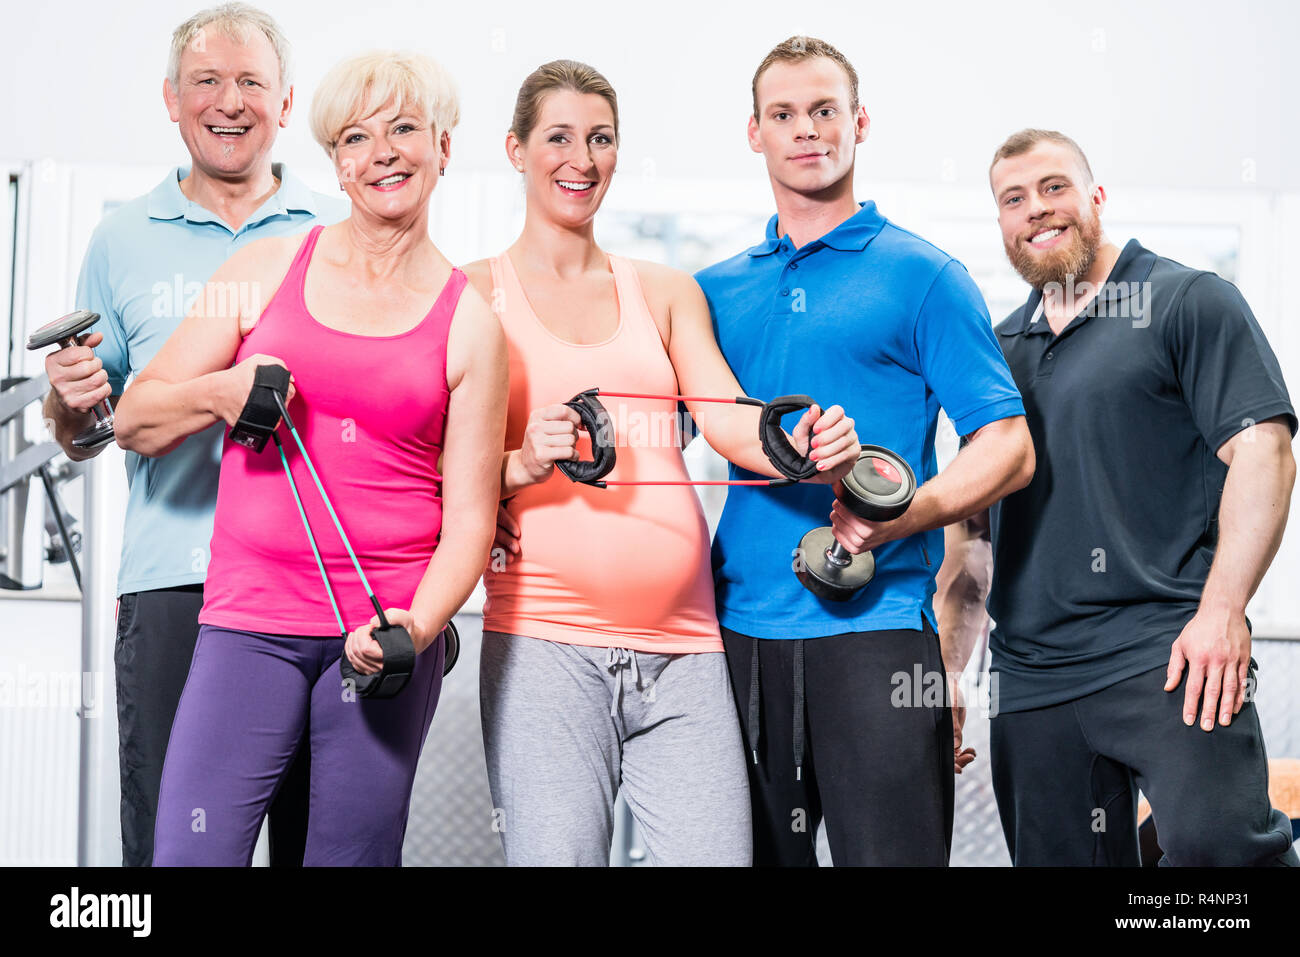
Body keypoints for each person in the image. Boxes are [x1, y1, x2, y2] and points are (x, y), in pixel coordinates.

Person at [462, 59, 861, 867]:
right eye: (559, 137)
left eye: (600, 139)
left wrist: (808, 444)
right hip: (547, 642)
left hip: (685, 645)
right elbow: (439, 471)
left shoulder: (664, 290)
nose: (582, 158)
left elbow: (729, 421)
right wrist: (517, 460)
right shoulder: (469, 296)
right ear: (515, 149)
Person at [112, 49, 506, 866]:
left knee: (349, 859)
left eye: (404, 130)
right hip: (248, 621)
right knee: (191, 854)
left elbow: (471, 518)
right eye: (357, 138)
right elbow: (136, 416)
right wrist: (222, 393)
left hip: (384, 633)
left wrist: (418, 625)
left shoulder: (470, 322)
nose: (383, 153)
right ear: (336, 159)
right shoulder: (266, 268)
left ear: (442, 143)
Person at [693, 36, 1034, 867]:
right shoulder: (713, 289)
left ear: (859, 122)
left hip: (879, 632)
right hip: (733, 637)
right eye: (784, 114)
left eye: (824, 110)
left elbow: (1008, 445)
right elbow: (657, 443)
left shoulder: (924, 276)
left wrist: (903, 515)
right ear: (755, 133)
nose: (806, 129)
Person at [934, 128, 1298, 866]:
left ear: (1096, 198)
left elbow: (1264, 452)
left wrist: (1223, 611)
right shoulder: (998, 353)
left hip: (1170, 650)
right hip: (1031, 677)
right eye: (1013, 199)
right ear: (1000, 223)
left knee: (1225, 857)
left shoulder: (1186, 301)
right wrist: (946, 675)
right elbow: (972, 539)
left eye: (1054, 188)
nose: (1036, 210)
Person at [40, 2, 346, 867]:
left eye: (253, 81)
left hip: (308, 586)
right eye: (207, 81)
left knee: (311, 843)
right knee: (172, 850)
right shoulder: (120, 238)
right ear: (171, 100)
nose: (229, 101)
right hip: (174, 583)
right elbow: (87, 434)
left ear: (286, 105)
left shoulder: (335, 236)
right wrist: (73, 402)